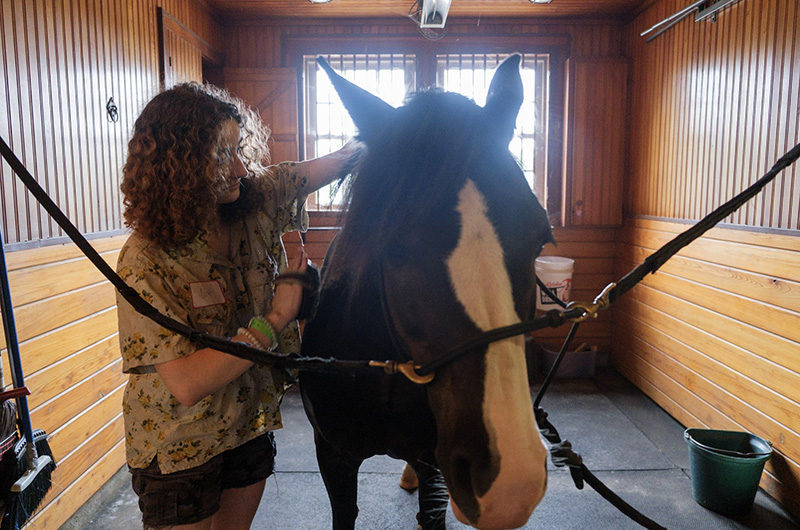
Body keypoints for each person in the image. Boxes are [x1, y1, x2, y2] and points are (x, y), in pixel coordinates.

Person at [115, 82, 356, 530]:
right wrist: (276, 319)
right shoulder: (145, 259)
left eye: (238, 150)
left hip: (246, 424)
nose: (242, 168)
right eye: (223, 156)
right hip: (179, 444)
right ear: (180, 165)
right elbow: (186, 382)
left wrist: (379, 134)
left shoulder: (252, 203)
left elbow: (338, 161)